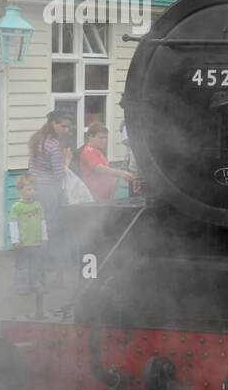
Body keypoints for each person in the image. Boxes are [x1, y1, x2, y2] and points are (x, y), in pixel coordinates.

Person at [28, 110, 73, 288]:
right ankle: (55, 275)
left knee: (37, 232)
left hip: (34, 190)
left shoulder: (35, 140)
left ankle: (36, 276)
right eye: (63, 126)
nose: (66, 130)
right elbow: (59, 174)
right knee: (53, 232)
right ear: (53, 124)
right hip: (49, 192)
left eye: (68, 126)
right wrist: (67, 160)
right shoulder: (53, 145)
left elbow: (32, 166)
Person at [9, 173, 47, 294]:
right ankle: (22, 285)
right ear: (20, 190)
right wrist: (15, 240)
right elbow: (13, 224)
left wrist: (44, 237)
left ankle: (35, 284)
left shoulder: (38, 205)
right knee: (22, 266)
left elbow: (42, 222)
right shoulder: (16, 207)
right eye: (29, 189)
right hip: (23, 243)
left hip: (36, 242)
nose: (32, 192)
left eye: (34, 189)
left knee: (36, 265)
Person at [80, 123, 136, 201]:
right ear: (91, 137)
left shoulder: (98, 150)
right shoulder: (89, 151)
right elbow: (99, 168)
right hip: (95, 198)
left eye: (105, 138)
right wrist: (121, 173)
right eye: (101, 138)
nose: (104, 140)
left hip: (104, 197)